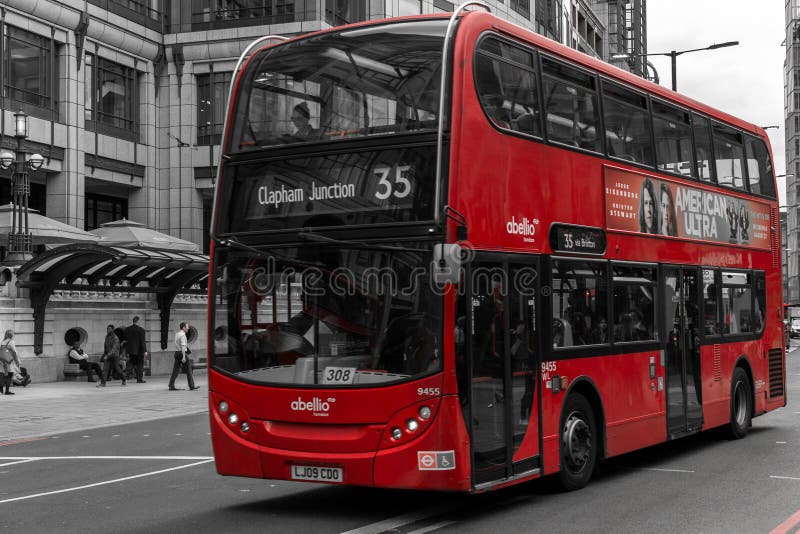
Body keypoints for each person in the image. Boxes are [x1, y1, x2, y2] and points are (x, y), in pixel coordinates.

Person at [169, 321, 198, 391]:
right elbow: (183, 346)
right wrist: (184, 357)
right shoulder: (183, 335)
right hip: (182, 353)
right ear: (184, 327)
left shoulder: (177, 334)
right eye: (187, 327)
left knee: (175, 370)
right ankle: (191, 386)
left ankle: (171, 385)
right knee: (189, 369)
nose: (188, 329)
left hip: (176, 353)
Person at [124, 316, 148, 383]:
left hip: (131, 350)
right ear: (138, 321)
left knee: (131, 363)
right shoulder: (141, 330)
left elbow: (126, 340)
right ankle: (139, 379)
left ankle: (124, 376)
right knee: (140, 365)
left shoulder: (127, 329)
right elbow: (142, 341)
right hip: (139, 351)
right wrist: (145, 350)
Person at [0, 330, 20, 394]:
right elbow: (14, 352)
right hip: (9, 360)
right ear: (11, 335)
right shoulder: (11, 342)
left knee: (6, 375)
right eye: (13, 334)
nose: (13, 335)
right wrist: (17, 361)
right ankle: (7, 391)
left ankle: (1, 386)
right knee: (10, 375)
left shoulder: (3, 341)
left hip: (3, 360)